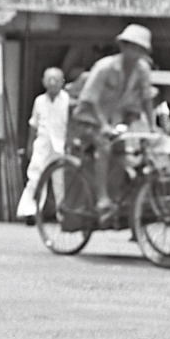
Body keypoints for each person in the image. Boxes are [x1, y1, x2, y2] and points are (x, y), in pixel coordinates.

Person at [69, 23, 157, 219]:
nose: (135, 52)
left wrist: (152, 127)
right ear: (123, 47)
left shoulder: (142, 69)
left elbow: (147, 98)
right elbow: (90, 99)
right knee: (104, 144)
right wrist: (103, 125)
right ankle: (102, 198)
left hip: (115, 120)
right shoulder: (105, 67)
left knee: (131, 153)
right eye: (132, 47)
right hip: (89, 119)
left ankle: (128, 204)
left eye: (140, 49)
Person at [17, 66, 70, 220]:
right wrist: (29, 145)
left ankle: (63, 215)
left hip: (61, 145)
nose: (52, 83)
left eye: (56, 79)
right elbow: (33, 125)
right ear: (43, 82)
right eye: (49, 79)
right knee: (35, 177)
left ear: (62, 82)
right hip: (42, 144)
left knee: (60, 181)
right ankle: (31, 212)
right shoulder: (39, 101)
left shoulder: (67, 100)